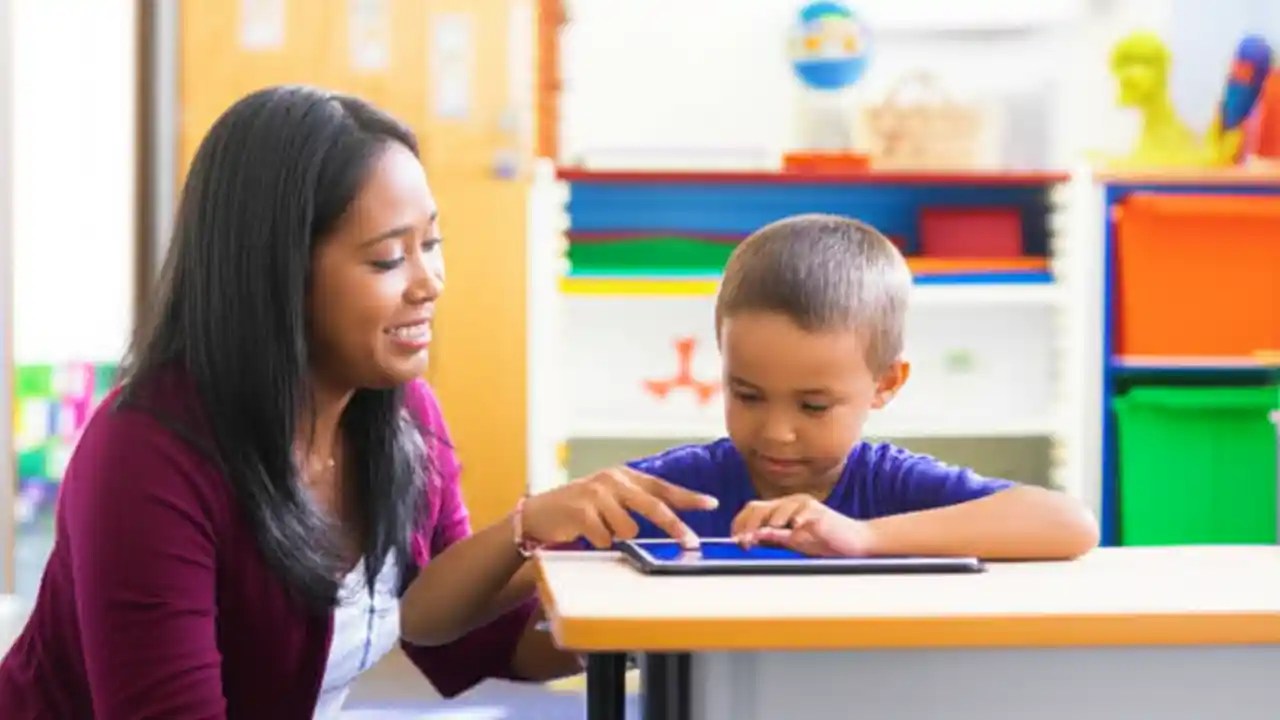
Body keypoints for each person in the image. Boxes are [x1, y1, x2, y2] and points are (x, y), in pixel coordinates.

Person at [0, 85, 716, 719]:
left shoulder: (404, 418)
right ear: (277, 275)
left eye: (432, 243)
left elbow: (467, 643)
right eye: (388, 258)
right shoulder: (146, 454)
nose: (429, 281)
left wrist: (648, 614)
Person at [623, 214, 1100, 559]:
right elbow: (546, 656)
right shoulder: (679, 492)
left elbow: (1070, 525)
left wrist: (864, 537)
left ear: (886, 383)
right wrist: (544, 518)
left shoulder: (890, 485)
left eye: (813, 406)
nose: (776, 432)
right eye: (747, 395)